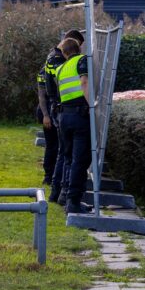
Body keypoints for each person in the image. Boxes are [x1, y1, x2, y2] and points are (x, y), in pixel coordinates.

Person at [43, 30, 85, 203]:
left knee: (63, 153)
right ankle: (64, 193)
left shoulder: (52, 59)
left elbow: (44, 87)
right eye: (79, 46)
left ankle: (57, 192)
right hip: (67, 110)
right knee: (67, 155)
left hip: (59, 110)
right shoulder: (61, 61)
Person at [55, 36, 93, 214]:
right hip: (79, 115)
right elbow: (84, 83)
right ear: (78, 48)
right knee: (81, 159)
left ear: (64, 53)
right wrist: (91, 107)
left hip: (64, 117)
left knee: (68, 158)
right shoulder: (82, 60)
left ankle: (65, 195)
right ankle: (74, 202)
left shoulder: (60, 68)